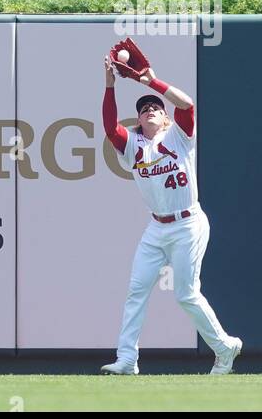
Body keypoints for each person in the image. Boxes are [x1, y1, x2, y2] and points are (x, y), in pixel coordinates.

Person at [99, 43, 242, 376]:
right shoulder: (133, 144)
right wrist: (109, 84)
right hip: (156, 228)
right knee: (137, 290)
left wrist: (151, 82)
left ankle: (224, 347)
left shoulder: (179, 136)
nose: (149, 108)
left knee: (185, 294)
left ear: (164, 116)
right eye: (144, 108)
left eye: (155, 107)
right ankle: (127, 360)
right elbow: (109, 127)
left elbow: (187, 104)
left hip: (188, 224)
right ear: (138, 118)